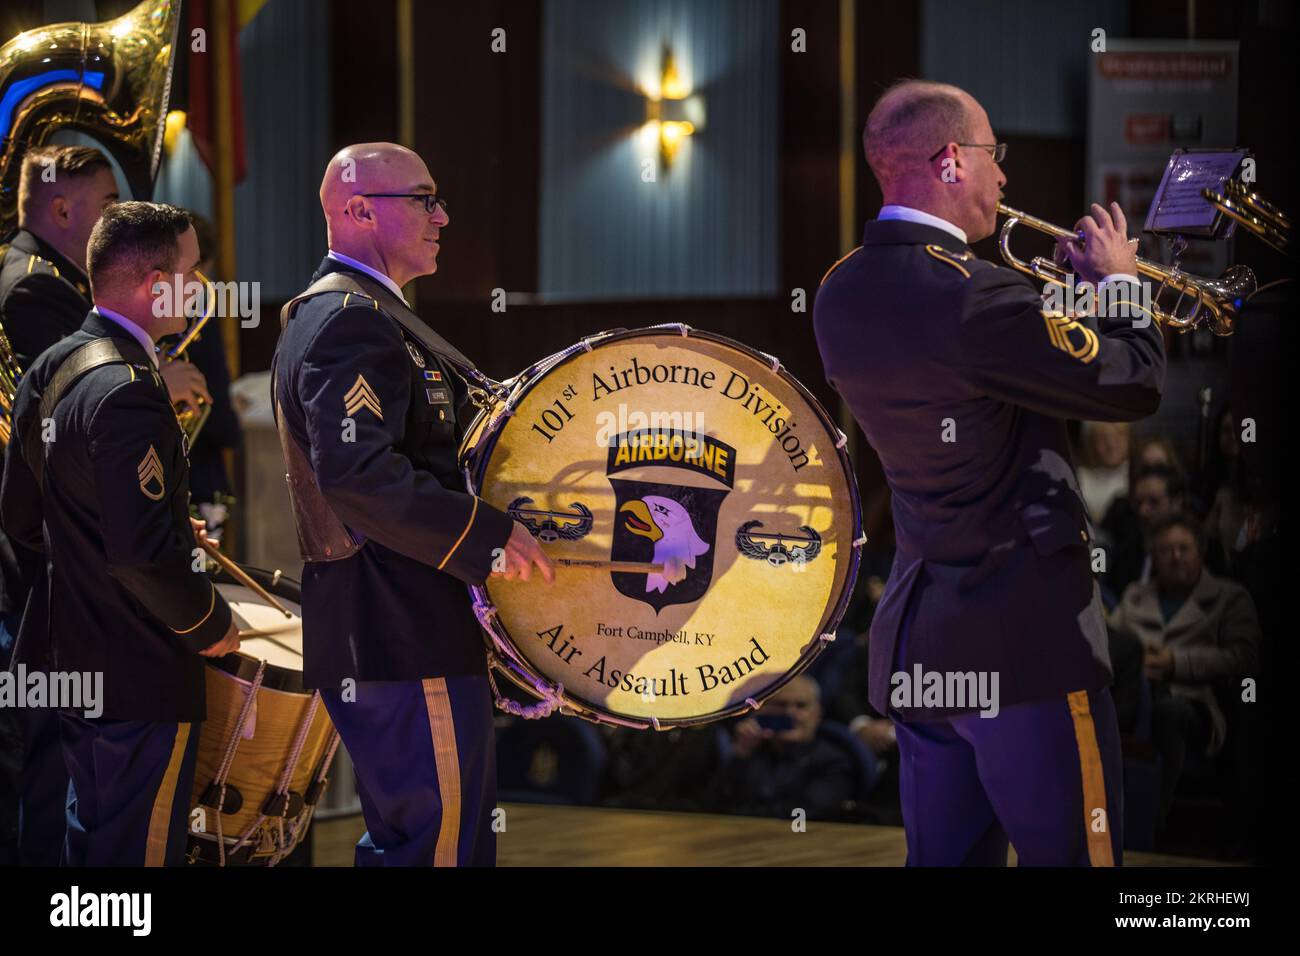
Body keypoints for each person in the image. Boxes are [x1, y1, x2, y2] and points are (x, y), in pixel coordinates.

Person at [813, 80, 1166, 866]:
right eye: (991, 155)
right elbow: (1135, 381)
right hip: (1024, 641)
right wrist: (1122, 287)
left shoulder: (840, 292)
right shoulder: (978, 295)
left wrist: (1064, 302)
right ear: (949, 161)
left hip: (924, 643)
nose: (1003, 178)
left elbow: (983, 370)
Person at [272, 143, 552, 867]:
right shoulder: (347, 320)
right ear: (360, 210)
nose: (444, 217)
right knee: (438, 848)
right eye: (424, 200)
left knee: (419, 842)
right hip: (397, 626)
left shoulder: (372, 315)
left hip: (396, 625)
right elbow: (359, 475)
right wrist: (487, 535)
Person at [0, 201, 239, 865]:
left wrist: (156, 522)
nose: (203, 289)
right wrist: (210, 622)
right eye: (192, 273)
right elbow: (140, 561)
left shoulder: (52, 365)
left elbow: (23, 518)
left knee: (92, 847)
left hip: (69, 662)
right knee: (138, 858)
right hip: (137, 671)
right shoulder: (134, 388)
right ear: (154, 285)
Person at [1108, 512, 1260, 832]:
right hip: (1133, 697)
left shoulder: (1229, 597)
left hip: (1193, 703)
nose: (1176, 557)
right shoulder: (1136, 595)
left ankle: (1153, 825)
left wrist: (1177, 662)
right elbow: (1111, 644)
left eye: (1184, 548)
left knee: (1169, 711)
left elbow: (1244, 658)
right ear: (1154, 557)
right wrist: (1135, 662)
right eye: (1166, 550)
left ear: (1201, 552)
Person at [705, 676, 857, 822]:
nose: (790, 713)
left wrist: (743, 815)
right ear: (761, 710)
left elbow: (805, 815)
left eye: (801, 706)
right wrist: (740, 755)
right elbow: (712, 806)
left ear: (817, 714)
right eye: (780, 704)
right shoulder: (751, 751)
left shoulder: (834, 761)